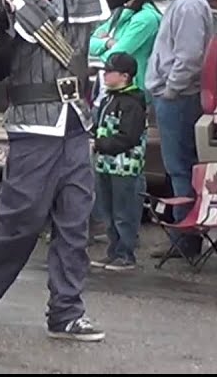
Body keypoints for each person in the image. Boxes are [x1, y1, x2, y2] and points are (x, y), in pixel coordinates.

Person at [0, 0, 149, 342]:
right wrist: (2, 36)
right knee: (22, 222)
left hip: (75, 125)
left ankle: (66, 312)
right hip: (32, 130)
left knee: (75, 224)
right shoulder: (9, 8)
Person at [144, 0, 213, 236]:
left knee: (180, 168)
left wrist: (170, 90)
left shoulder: (188, 5)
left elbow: (189, 56)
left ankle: (184, 235)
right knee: (177, 168)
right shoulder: (180, 2)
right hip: (173, 96)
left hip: (179, 99)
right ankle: (181, 232)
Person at [88, 52, 149, 272]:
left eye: (109, 72)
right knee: (108, 211)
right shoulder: (107, 100)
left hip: (125, 167)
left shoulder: (132, 103)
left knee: (124, 212)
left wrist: (99, 144)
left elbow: (128, 137)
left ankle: (125, 254)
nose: (104, 75)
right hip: (105, 164)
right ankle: (113, 251)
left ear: (124, 76)